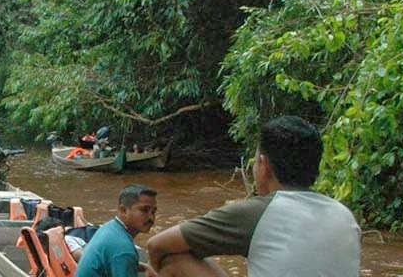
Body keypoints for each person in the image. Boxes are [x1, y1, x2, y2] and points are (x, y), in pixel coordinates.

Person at [146, 116, 362, 277]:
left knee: (175, 260)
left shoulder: (258, 213)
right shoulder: (344, 215)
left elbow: (157, 245)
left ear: (264, 165)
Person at [76, 184, 159, 277]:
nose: (151, 218)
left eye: (153, 212)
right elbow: (122, 255)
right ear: (123, 210)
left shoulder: (110, 227)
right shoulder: (123, 249)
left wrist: (145, 267)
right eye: (144, 210)